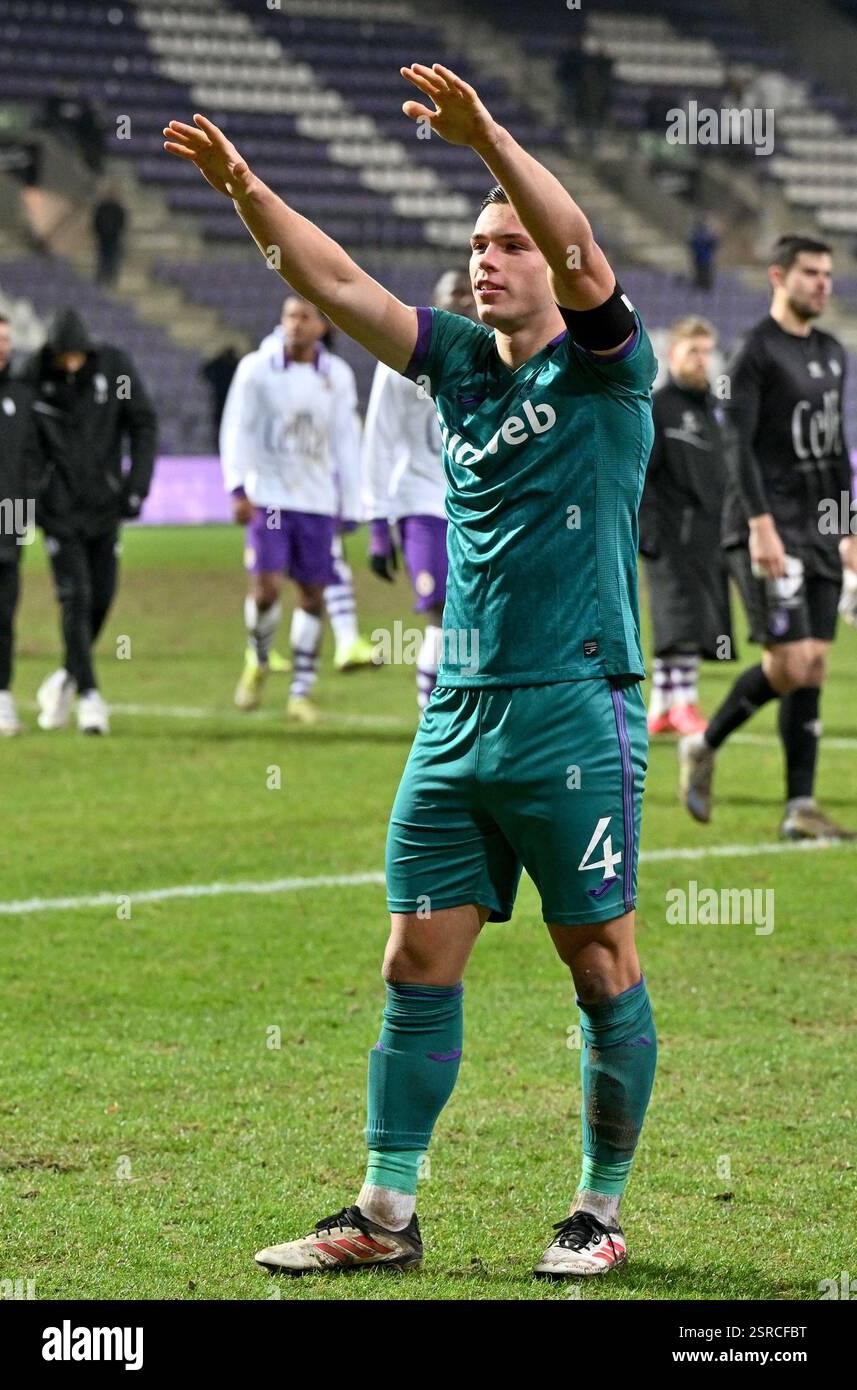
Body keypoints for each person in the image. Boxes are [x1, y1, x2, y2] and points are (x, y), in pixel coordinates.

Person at [164, 60, 657, 1279]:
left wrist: (488, 137)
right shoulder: (454, 362)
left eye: (506, 243)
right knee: (412, 954)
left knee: (597, 959)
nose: (486, 259)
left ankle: (595, 1210)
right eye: (475, 246)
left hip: (574, 706)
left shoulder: (605, 366)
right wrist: (245, 190)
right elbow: (330, 282)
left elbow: (583, 246)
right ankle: (385, 1216)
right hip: (459, 715)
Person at [680, 236, 857, 839]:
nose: (822, 284)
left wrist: (847, 529)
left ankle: (799, 809)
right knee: (787, 662)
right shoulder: (754, 351)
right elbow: (737, 444)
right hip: (765, 527)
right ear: (779, 276)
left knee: (814, 665)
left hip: (818, 527)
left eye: (828, 274)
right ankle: (703, 744)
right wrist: (760, 526)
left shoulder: (834, 352)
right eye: (810, 273)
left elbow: (834, 450)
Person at [220, 296, 365, 721]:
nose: (294, 324)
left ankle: (300, 692)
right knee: (265, 592)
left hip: (317, 501)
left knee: (312, 596)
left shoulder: (336, 376)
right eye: (288, 316)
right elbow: (236, 427)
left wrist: (351, 503)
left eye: (304, 317)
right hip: (269, 497)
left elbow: (346, 441)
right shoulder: (256, 369)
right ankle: (258, 659)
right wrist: (237, 487)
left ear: (324, 327)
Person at [23, 308, 157, 735]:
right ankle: (90, 699)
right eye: (65, 357)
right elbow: (19, 441)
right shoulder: (33, 378)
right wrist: (31, 500)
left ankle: (65, 678)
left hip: (105, 507)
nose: (72, 364)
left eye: (77, 355)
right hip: (58, 512)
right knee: (75, 598)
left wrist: (136, 485)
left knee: (101, 600)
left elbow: (143, 422)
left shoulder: (114, 369)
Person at [363, 269, 476, 713]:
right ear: (435, 300)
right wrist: (377, 522)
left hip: (474, 508)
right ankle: (432, 722)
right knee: (443, 614)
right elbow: (379, 438)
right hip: (421, 504)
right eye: (455, 293)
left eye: (470, 293)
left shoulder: (490, 356)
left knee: (472, 621)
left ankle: (459, 719)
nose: (465, 301)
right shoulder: (399, 358)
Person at [256, 315, 378, 675]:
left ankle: (341, 644)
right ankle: (339, 642)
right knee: (289, 580)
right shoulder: (268, 366)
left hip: (319, 490)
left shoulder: (333, 373)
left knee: (329, 565)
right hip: (288, 492)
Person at [640, 316, 734, 735]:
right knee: (677, 620)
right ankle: (682, 702)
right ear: (673, 353)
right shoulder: (658, 407)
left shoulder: (712, 409)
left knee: (698, 622)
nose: (702, 360)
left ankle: (662, 705)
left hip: (708, 534)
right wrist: (647, 531)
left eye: (706, 352)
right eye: (693, 351)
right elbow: (641, 474)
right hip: (670, 532)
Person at [0, 312, 53, 735]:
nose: (2, 347)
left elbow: (34, 458)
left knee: (2, 615)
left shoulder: (20, 394)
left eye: (5, 340)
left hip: (6, 520)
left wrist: (24, 504)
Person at [92, 188, 127, 287]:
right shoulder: (101, 208)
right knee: (102, 258)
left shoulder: (118, 209)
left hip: (114, 237)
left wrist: (116, 232)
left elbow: (122, 222)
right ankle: (100, 279)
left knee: (113, 258)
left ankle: (111, 279)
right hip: (102, 237)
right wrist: (99, 232)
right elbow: (96, 221)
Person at [688, 216, 718, 291]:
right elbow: (691, 243)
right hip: (700, 258)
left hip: (705, 258)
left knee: (705, 271)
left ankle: (704, 285)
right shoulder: (696, 233)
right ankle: (701, 285)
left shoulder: (707, 232)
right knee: (700, 271)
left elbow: (714, 243)